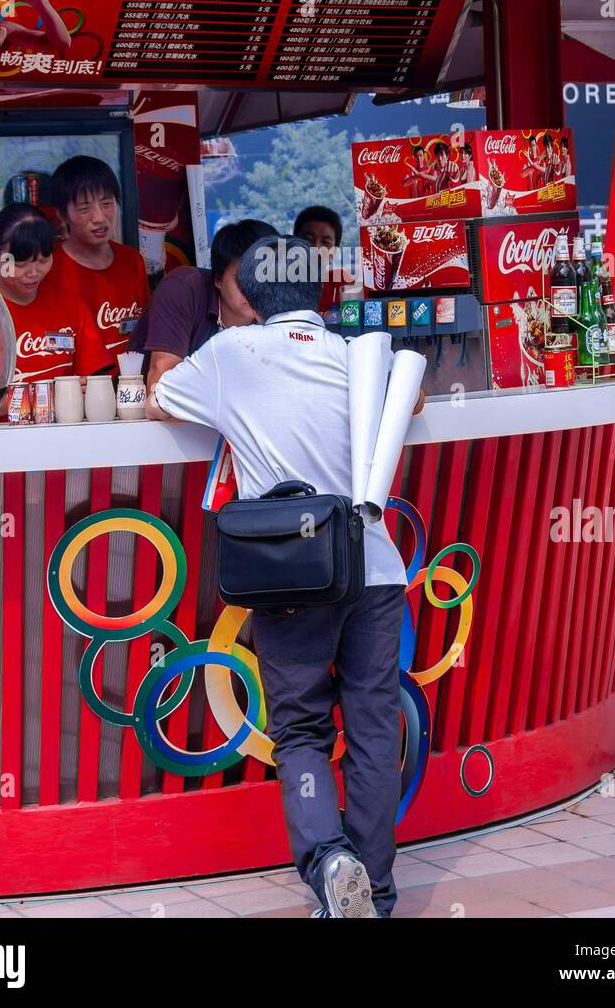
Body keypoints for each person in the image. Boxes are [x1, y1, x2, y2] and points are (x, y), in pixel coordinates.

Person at [147, 234, 425, 919]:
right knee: (372, 723)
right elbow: (411, 405)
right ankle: (377, 891)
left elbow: (159, 397)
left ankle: (329, 860)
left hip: (294, 572)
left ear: (246, 293)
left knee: (300, 730)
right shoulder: (355, 354)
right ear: (321, 291)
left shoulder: (229, 354)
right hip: (377, 568)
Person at [129, 218, 276, 391]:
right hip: (151, 416)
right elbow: (161, 385)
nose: (256, 289)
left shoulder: (282, 305)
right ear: (218, 279)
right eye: (244, 279)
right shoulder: (182, 288)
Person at [0, 203, 112, 383]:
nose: (33, 272)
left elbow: (94, 379)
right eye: (20, 264)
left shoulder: (69, 306)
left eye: (43, 260)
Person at [50, 156, 150, 365]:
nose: (99, 217)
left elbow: (145, 330)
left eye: (107, 203)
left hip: (130, 387)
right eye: (84, 208)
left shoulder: (132, 261)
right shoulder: (49, 268)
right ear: (61, 215)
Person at [293, 205, 354, 313]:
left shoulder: (340, 282)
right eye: (307, 239)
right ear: (292, 244)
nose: (316, 248)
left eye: (325, 243)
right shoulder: (277, 284)